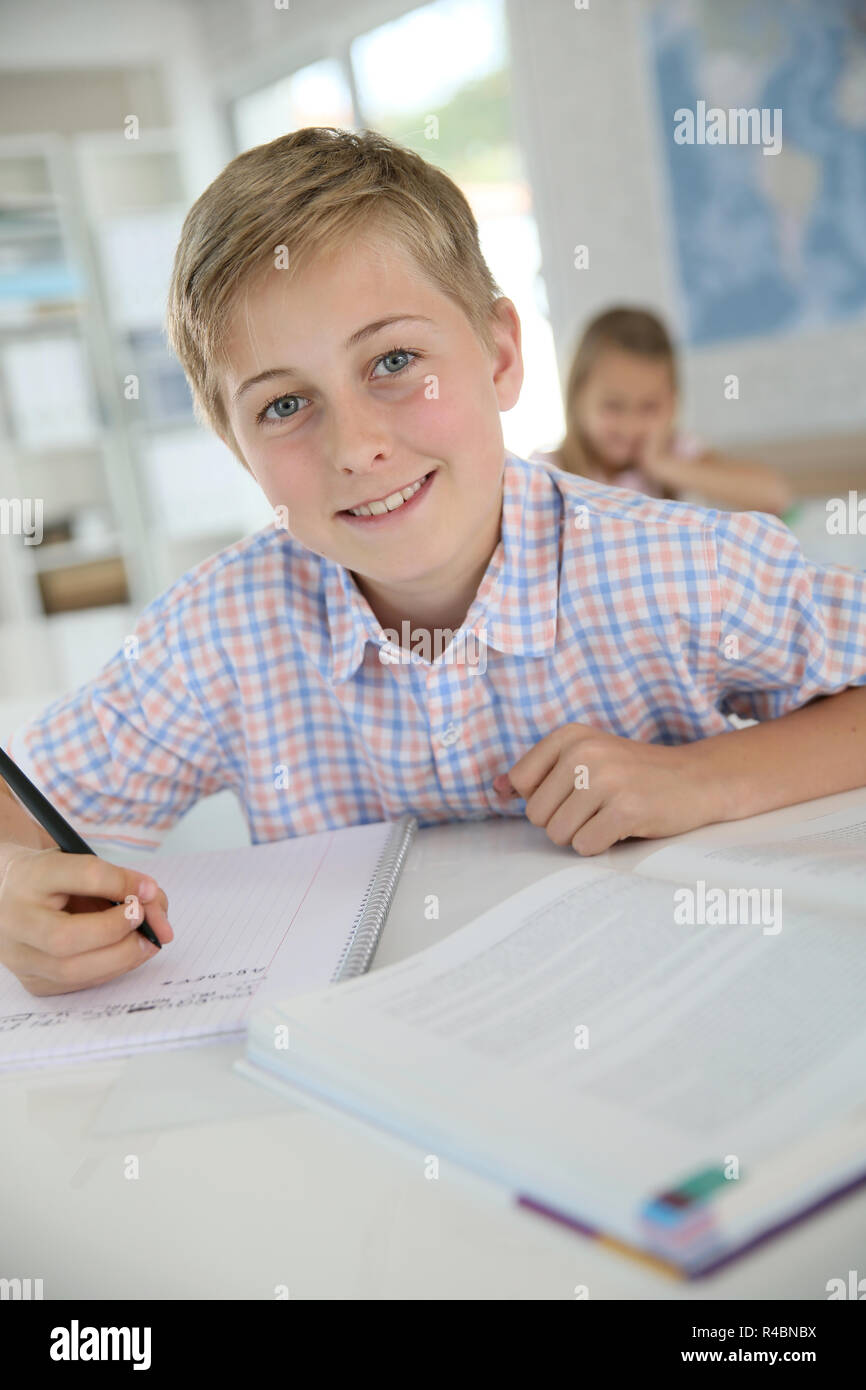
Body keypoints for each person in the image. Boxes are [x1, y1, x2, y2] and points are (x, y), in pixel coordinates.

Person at [1, 127, 865, 998]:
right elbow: (27, 803)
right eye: (286, 404)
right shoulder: (219, 634)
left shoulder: (680, 568)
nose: (357, 446)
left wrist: (704, 779)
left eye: (395, 361)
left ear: (499, 356)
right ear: (236, 447)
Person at [533, 306, 793, 515]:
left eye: (649, 407)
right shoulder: (549, 473)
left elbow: (775, 495)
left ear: (672, 403)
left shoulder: (677, 454)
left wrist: (662, 465)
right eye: (613, 406)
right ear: (577, 397)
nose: (630, 426)